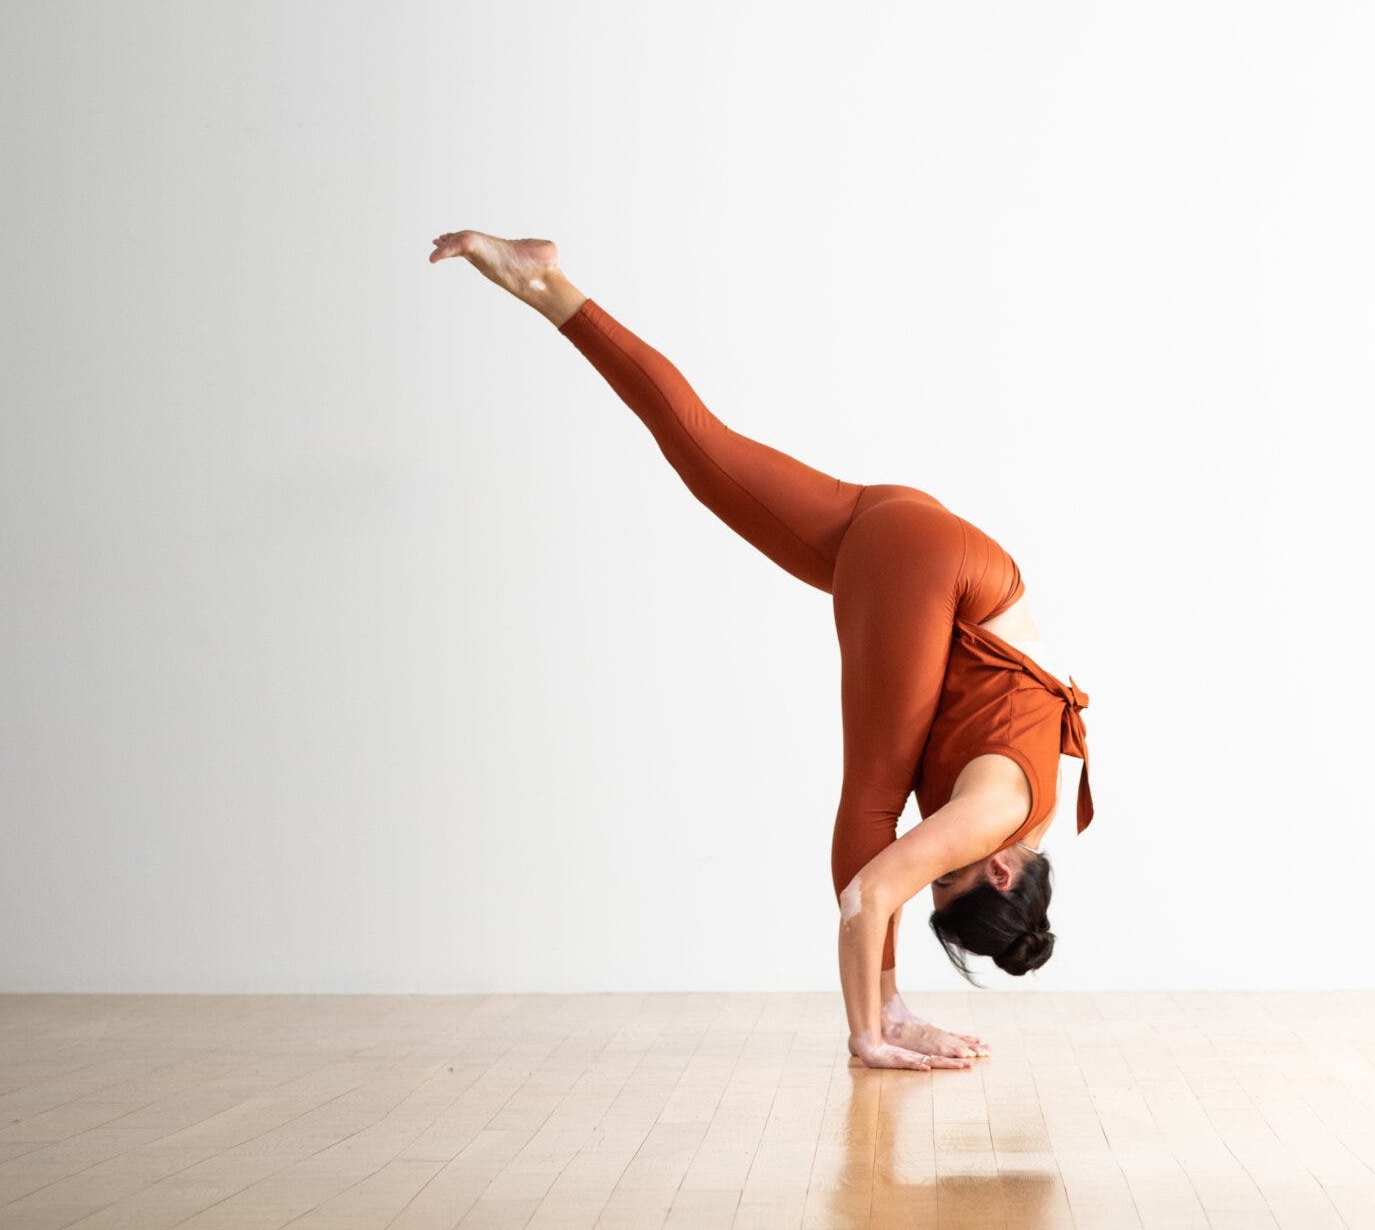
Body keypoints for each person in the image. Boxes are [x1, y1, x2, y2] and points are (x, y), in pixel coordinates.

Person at [430, 229, 1096, 1072]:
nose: (939, 858)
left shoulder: (1015, 829)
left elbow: (879, 885)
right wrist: (873, 1031)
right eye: (950, 874)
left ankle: (545, 283)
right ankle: (876, 1017)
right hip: (932, 569)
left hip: (919, 546)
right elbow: (869, 888)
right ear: (1000, 872)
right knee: (871, 802)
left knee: (703, 451)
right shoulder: (995, 819)